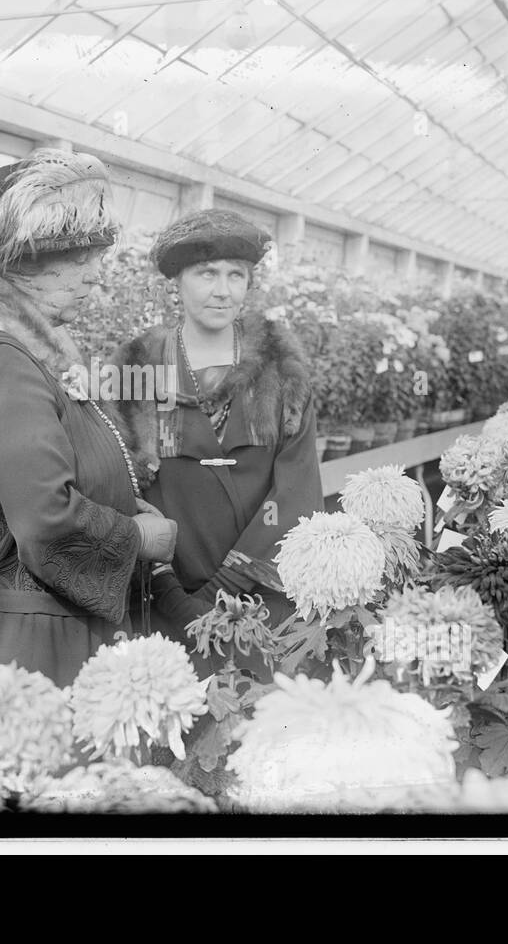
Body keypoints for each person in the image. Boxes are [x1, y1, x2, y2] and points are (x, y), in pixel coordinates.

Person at [0, 149, 178, 688]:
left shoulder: (37, 350)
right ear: (25, 258)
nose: (94, 277)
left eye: (96, 257)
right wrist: (141, 538)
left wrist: (121, 498)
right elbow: (43, 519)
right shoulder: (4, 362)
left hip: (39, 634)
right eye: (79, 259)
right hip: (17, 653)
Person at [112, 209, 322, 676]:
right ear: (178, 282)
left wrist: (222, 590)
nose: (222, 289)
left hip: (263, 606)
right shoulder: (134, 372)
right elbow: (115, 486)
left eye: (236, 275)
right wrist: (169, 588)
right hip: (167, 607)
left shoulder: (282, 374)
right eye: (206, 273)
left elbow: (297, 493)